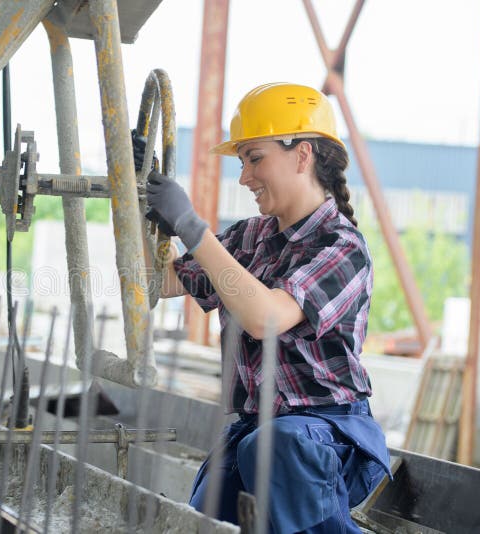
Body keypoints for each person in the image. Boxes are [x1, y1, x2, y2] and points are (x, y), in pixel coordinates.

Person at [135, 82, 392, 533]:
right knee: (205, 517)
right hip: (257, 431)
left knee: (273, 448)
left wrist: (193, 228)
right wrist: (136, 205)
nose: (244, 177)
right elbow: (157, 283)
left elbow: (265, 318)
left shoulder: (343, 247)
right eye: (241, 163)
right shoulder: (250, 236)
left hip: (325, 433)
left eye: (255, 158)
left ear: (302, 154)